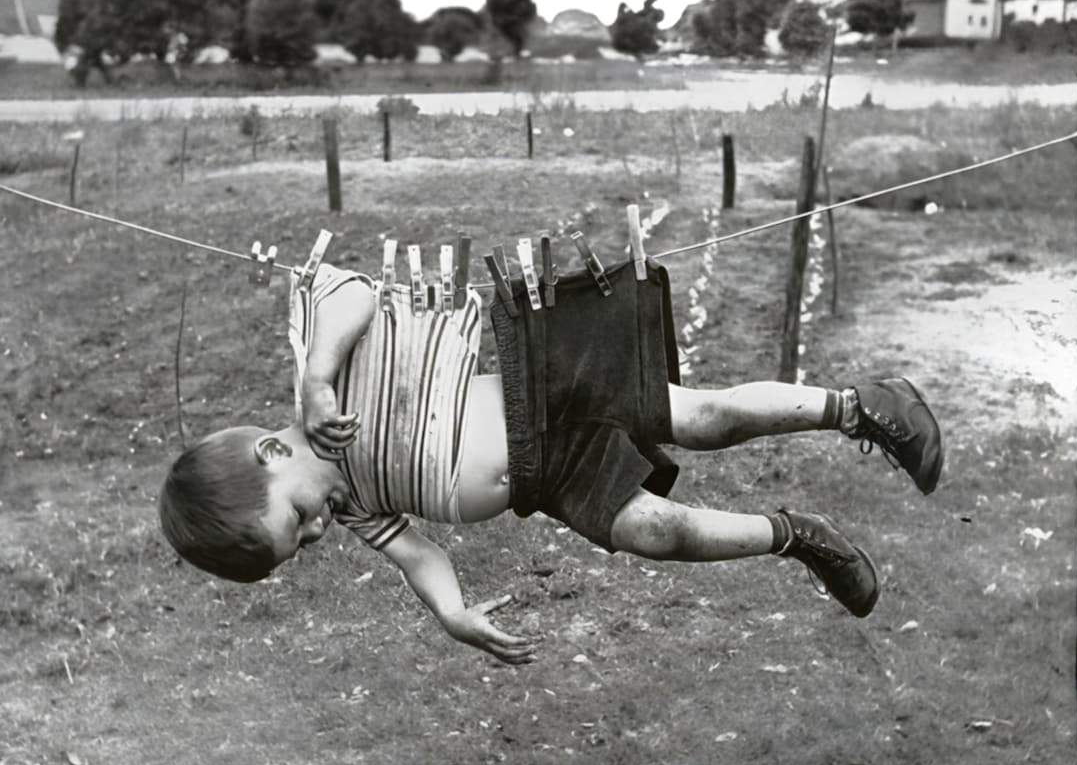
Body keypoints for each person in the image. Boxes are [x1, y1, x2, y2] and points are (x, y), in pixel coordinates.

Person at [159, 249, 943, 666]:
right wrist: (452, 611)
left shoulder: (319, 385)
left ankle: (864, 406)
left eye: (295, 517)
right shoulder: (356, 504)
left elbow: (349, 288)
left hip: (543, 384)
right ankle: (798, 535)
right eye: (301, 545)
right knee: (653, 532)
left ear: (271, 452)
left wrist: (321, 377)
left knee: (706, 416)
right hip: (549, 474)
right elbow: (418, 554)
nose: (317, 532)